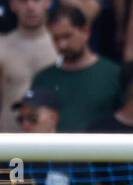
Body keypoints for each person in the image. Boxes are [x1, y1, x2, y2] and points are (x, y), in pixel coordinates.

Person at [31, 4, 120, 133]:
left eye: (67, 36)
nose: (62, 44)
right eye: (56, 39)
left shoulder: (113, 74)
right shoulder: (43, 79)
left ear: (86, 32)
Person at [0, 0, 56, 132]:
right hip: (9, 142)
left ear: (48, 2)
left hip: (55, 144)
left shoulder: (62, 49)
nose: (30, 7)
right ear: (12, 5)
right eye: (23, 1)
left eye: (37, 1)